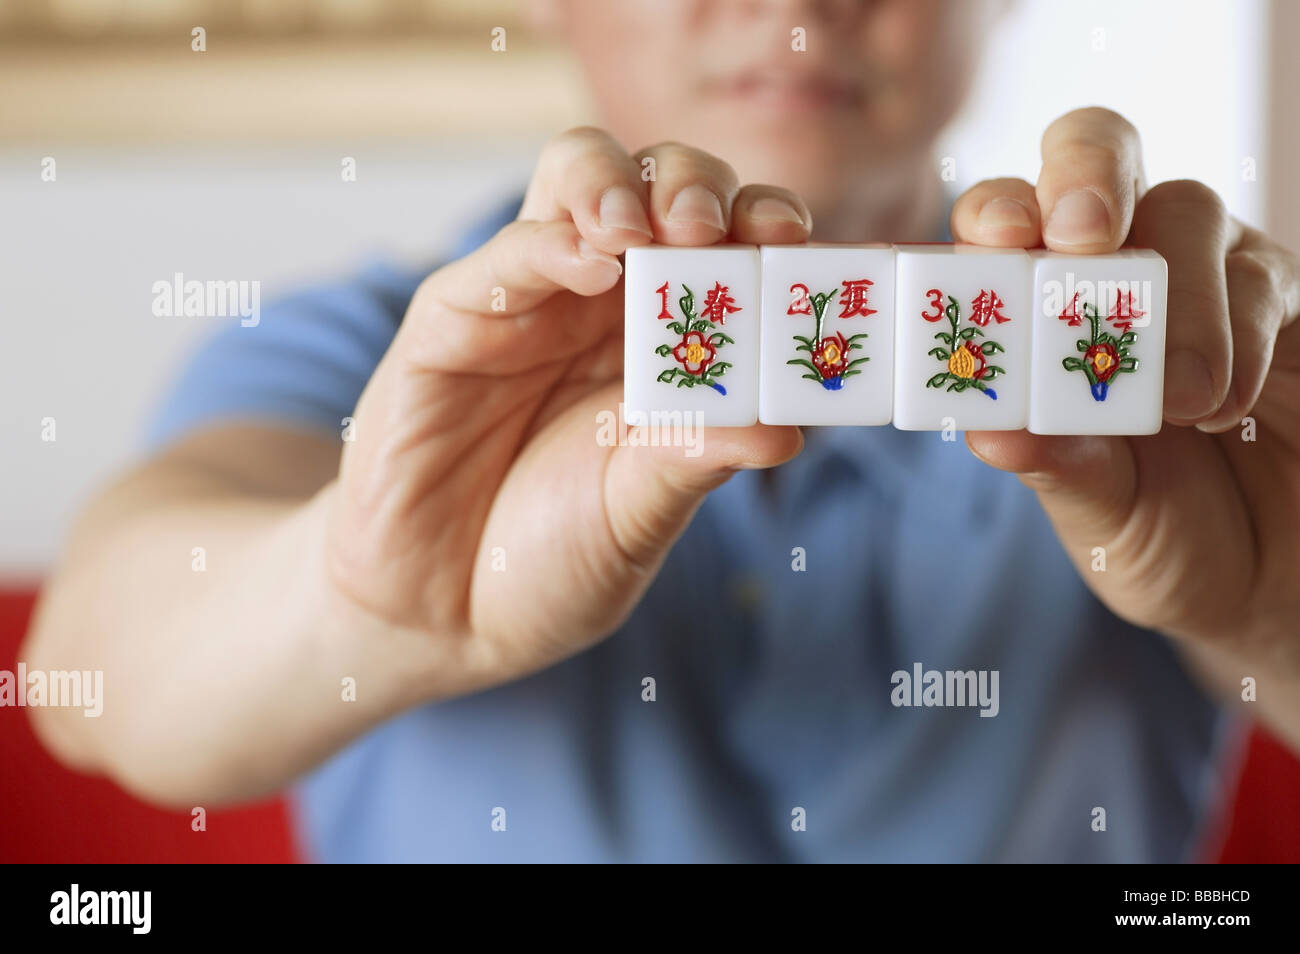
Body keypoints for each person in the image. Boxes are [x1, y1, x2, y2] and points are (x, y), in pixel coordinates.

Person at [23, 0, 1300, 862]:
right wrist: (368, 598)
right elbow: (97, 682)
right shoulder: (363, 351)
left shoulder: (1168, 390)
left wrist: (1273, 606)